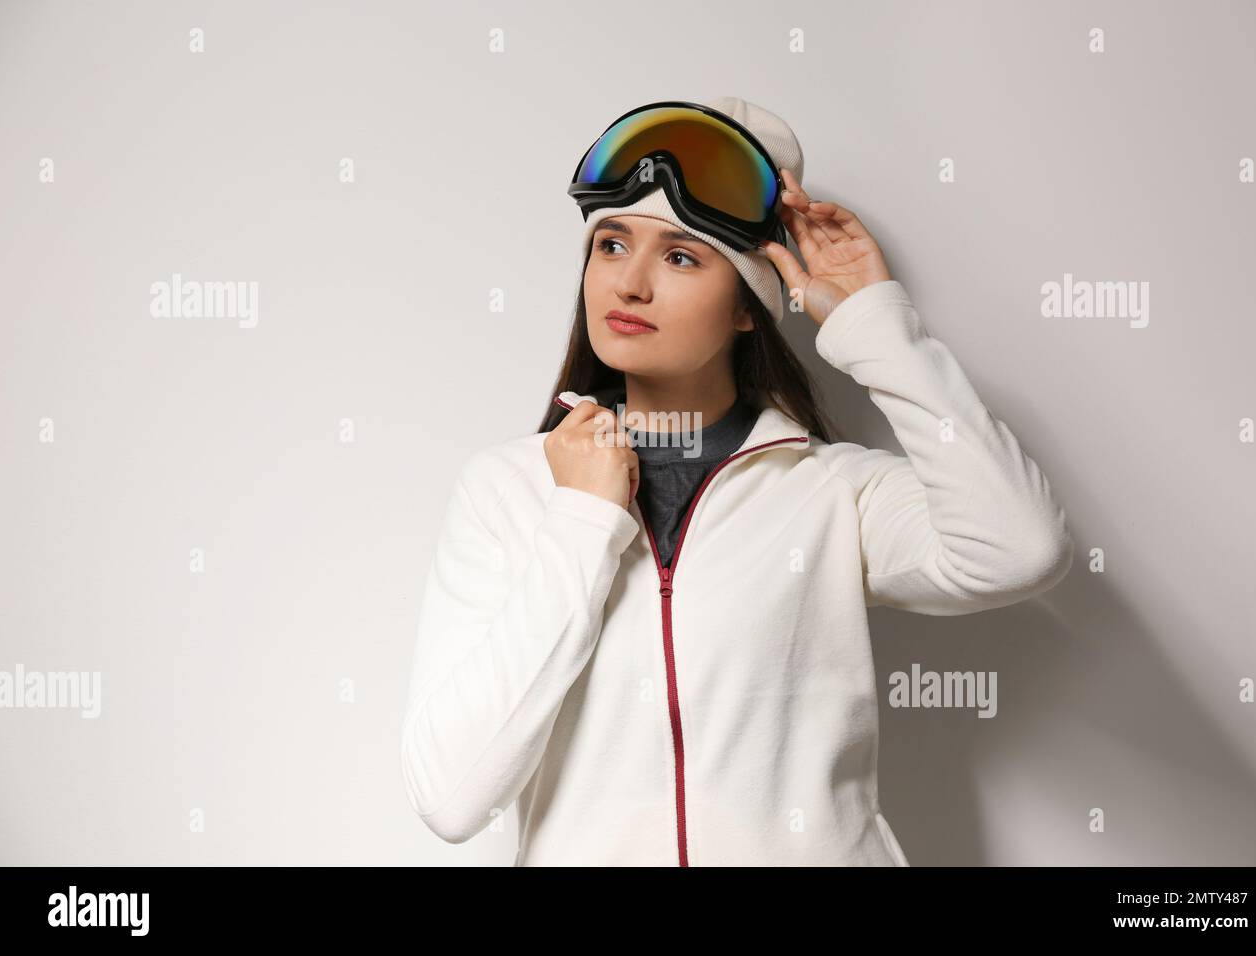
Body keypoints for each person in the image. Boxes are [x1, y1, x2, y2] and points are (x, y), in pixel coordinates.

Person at [400, 97, 1073, 866]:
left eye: (682, 257)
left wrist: (875, 325)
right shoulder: (509, 490)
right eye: (612, 245)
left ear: (750, 308)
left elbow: (1022, 548)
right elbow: (451, 798)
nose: (630, 284)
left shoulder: (831, 493)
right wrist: (583, 519)